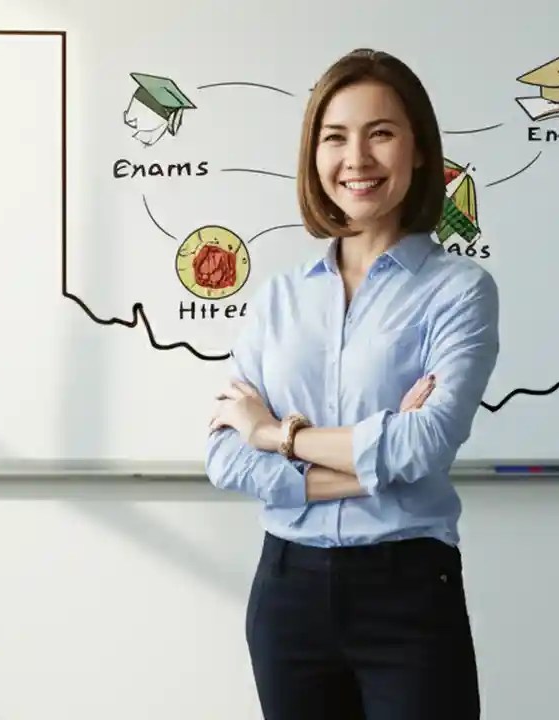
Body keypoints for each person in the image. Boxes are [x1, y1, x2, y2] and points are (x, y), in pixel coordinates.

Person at [204, 47, 500, 720]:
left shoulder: (459, 292)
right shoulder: (278, 298)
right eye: (335, 137)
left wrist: (275, 434)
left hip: (408, 591)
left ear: (419, 150)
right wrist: (372, 458)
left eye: (381, 133)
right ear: (314, 156)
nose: (357, 159)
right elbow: (223, 455)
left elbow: (423, 447)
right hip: (286, 593)